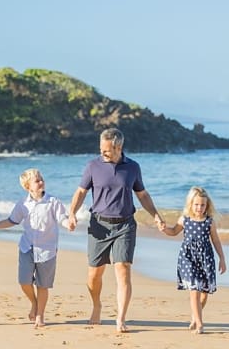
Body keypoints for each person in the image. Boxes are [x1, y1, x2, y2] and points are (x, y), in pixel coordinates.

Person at [68, 128, 166, 333]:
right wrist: (72, 214)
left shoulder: (132, 167)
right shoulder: (93, 166)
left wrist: (156, 215)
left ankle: (120, 318)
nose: (102, 153)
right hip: (99, 225)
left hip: (125, 225)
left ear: (118, 147)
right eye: (101, 149)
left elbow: (142, 195)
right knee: (94, 274)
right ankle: (97, 305)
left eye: (107, 150)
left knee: (123, 270)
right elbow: (80, 192)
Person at [0, 168, 68, 328]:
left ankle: (40, 314)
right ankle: (34, 302)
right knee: (24, 281)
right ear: (27, 187)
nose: (41, 182)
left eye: (41, 179)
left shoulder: (53, 202)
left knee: (43, 285)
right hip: (27, 247)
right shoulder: (23, 204)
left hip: (47, 250)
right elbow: (12, 221)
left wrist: (69, 223)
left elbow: (63, 218)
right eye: (37, 180)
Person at [161, 186, 227, 334]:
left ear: (207, 205)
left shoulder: (209, 222)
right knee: (194, 290)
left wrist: (222, 258)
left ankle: (195, 316)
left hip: (206, 259)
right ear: (190, 204)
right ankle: (200, 324)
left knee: (204, 293)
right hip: (188, 257)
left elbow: (216, 241)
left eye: (202, 205)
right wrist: (164, 229)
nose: (199, 208)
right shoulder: (184, 219)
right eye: (196, 204)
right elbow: (173, 231)